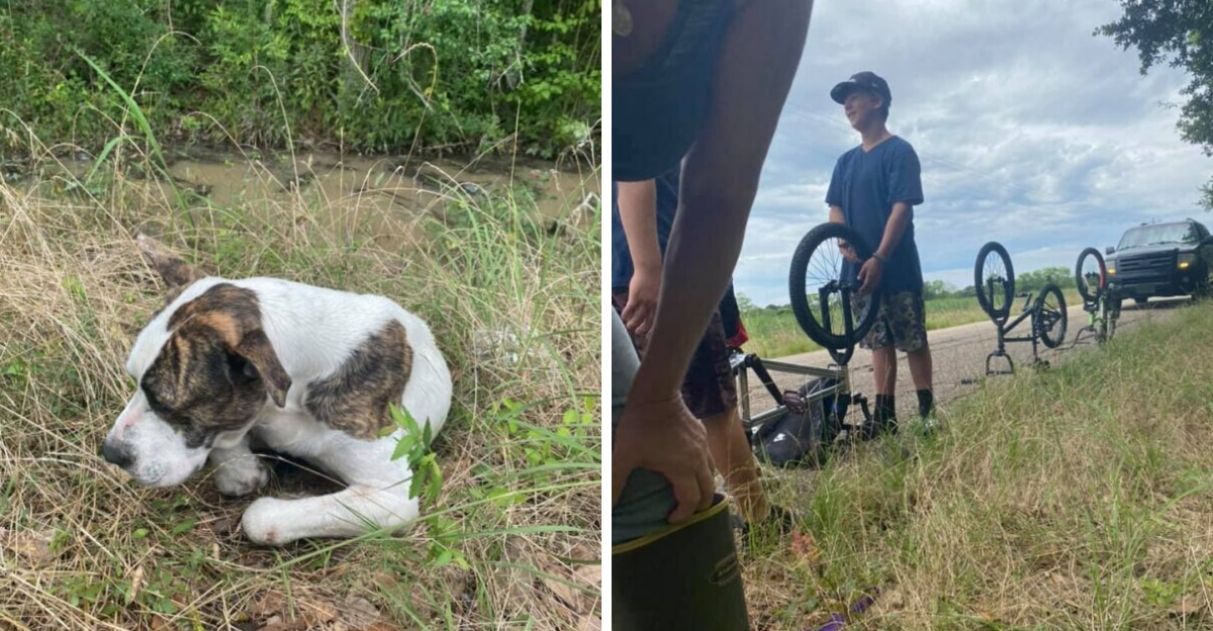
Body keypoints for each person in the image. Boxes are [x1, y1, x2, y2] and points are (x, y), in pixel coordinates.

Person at [610, 1, 812, 629]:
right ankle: (757, 513)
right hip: (635, 266)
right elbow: (629, 181)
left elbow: (722, 189)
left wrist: (652, 399)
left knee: (690, 420)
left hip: (685, 260)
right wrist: (646, 264)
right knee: (700, 419)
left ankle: (755, 514)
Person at [612, 170, 784, 531]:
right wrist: (647, 265)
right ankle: (761, 521)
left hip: (656, 269)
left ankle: (713, 514)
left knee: (682, 408)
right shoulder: (652, 118)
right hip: (668, 275)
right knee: (714, 407)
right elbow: (634, 173)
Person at [824, 71, 935, 437]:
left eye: (854, 97)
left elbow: (902, 208)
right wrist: (843, 241)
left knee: (912, 338)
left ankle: (927, 412)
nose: (847, 106)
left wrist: (881, 257)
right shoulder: (845, 162)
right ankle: (884, 418)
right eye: (844, 101)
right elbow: (835, 207)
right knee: (877, 340)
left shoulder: (899, 152)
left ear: (878, 101)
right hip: (857, 270)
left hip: (896, 266)